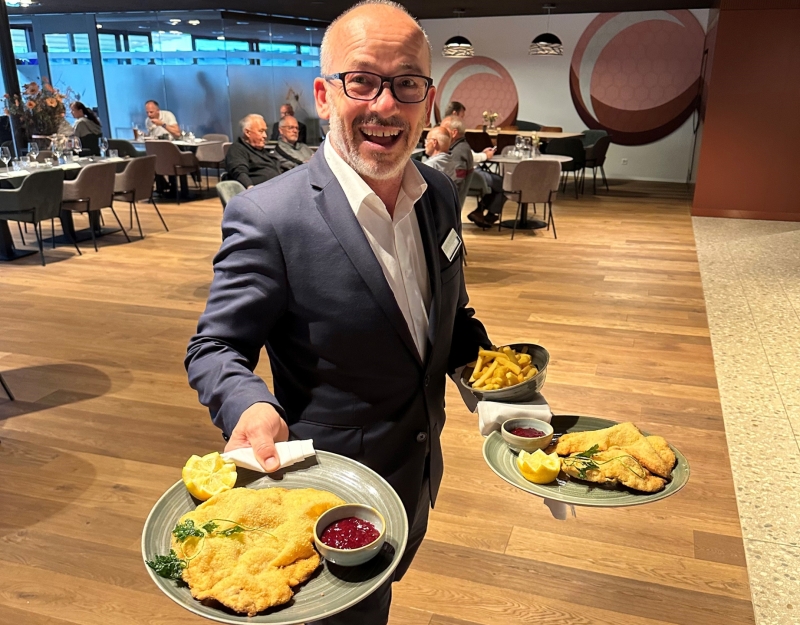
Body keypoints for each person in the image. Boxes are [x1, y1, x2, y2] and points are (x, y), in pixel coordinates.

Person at [185, 2, 491, 623]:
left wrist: (504, 393)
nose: (384, 105)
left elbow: (448, 318)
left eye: (406, 83)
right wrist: (250, 406)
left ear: (427, 101)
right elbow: (215, 348)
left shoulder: (435, 193)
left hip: (414, 472)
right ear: (324, 96)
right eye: (362, 81)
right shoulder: (269, 217)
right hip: (331, 495)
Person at [441, 111, 504, 228]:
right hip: (474, 173)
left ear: (454, 133)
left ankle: (483, 213)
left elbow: (456, 183)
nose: (441, 132)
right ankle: (484, 213)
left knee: (501, 183)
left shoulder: (458, 151)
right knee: (501, 183)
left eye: (443, 129)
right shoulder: (460, 146)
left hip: (473, 176)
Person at [224, 114, 286, 189]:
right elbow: (239, 172)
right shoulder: (237, 149)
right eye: (261, 131)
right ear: (247, 132)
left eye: (265, 131)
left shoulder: (263, 151)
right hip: (257, 194)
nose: (265, 136)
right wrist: (250, 188)